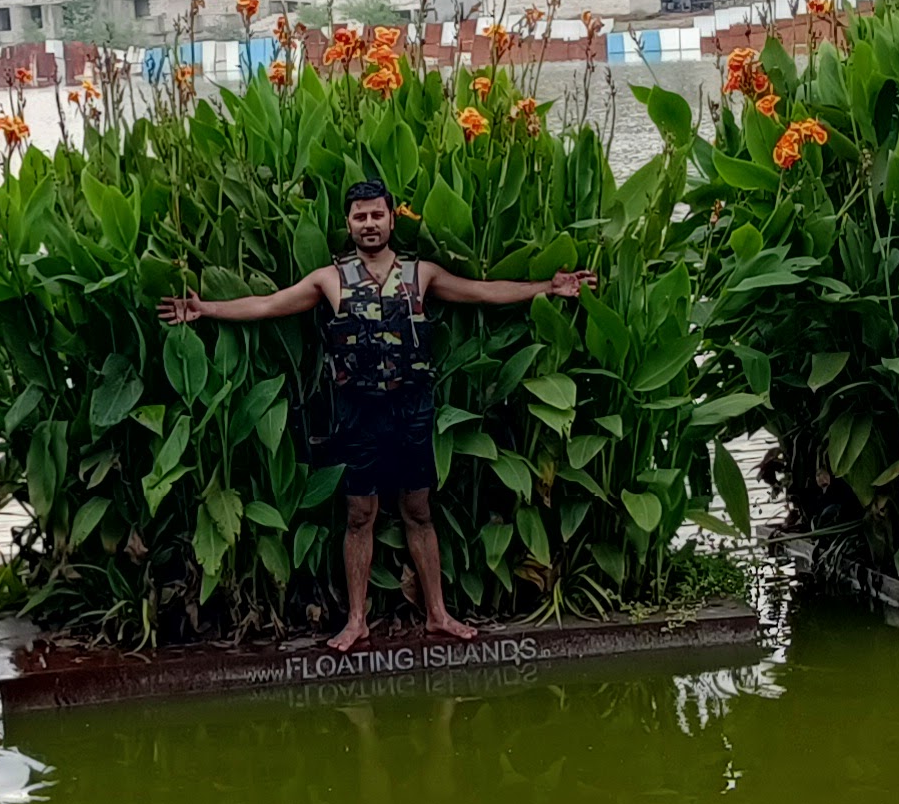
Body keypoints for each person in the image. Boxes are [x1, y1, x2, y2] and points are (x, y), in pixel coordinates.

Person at [158, 178, 594, 651]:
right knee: (359, 514)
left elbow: (483, 293)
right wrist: (204, 308)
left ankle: (437, 614)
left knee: (419, 511)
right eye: (360, 216)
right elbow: (267, 304)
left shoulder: (421, 274)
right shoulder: (330, 279)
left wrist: (549, 287)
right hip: (357, 411)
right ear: (348, 223)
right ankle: (357, 621)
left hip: (411, 408)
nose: (369, 223)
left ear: (390, 219)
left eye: (376, 215)